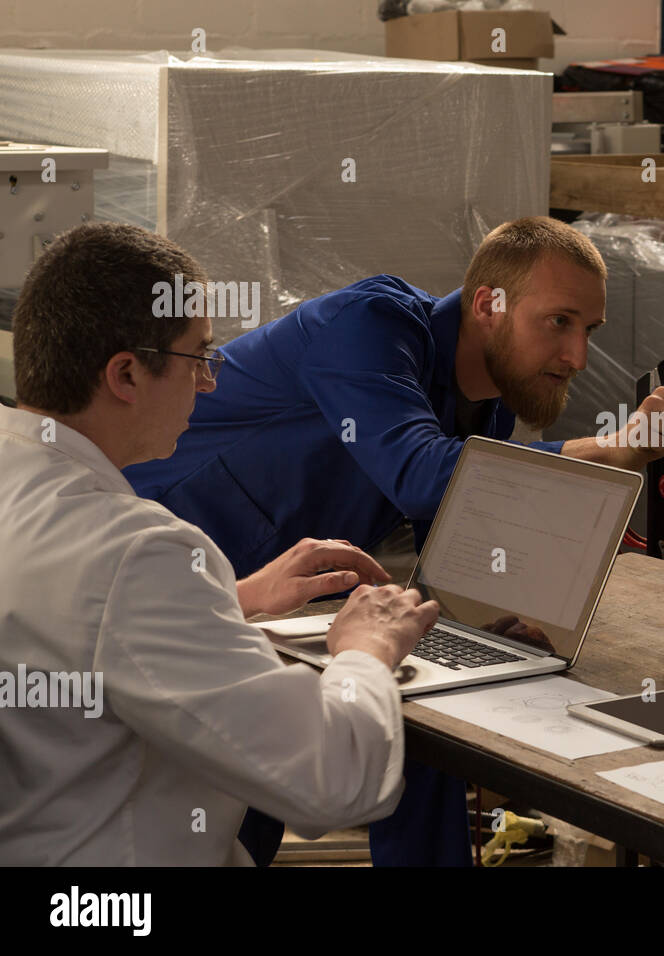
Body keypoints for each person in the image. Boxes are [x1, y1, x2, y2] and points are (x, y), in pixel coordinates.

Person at [124, 215, 664, 866]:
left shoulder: (486, 408)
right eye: (559, 322)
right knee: (229, 810)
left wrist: (490, 615)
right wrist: (617, 447)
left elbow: (450, 543)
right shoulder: (365, 325)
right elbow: (420, 474)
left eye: (587, 330)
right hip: (180, 573)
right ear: (490, 303)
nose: (576, 358)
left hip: (288, 594)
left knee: (427, 707)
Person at [0, 222, 441, 865]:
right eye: (199, 356)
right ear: (125, 374)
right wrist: (366, 650)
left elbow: (62, 622)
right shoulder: (134, 552)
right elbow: (331, 783)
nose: (210, 382)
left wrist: (226, 598)